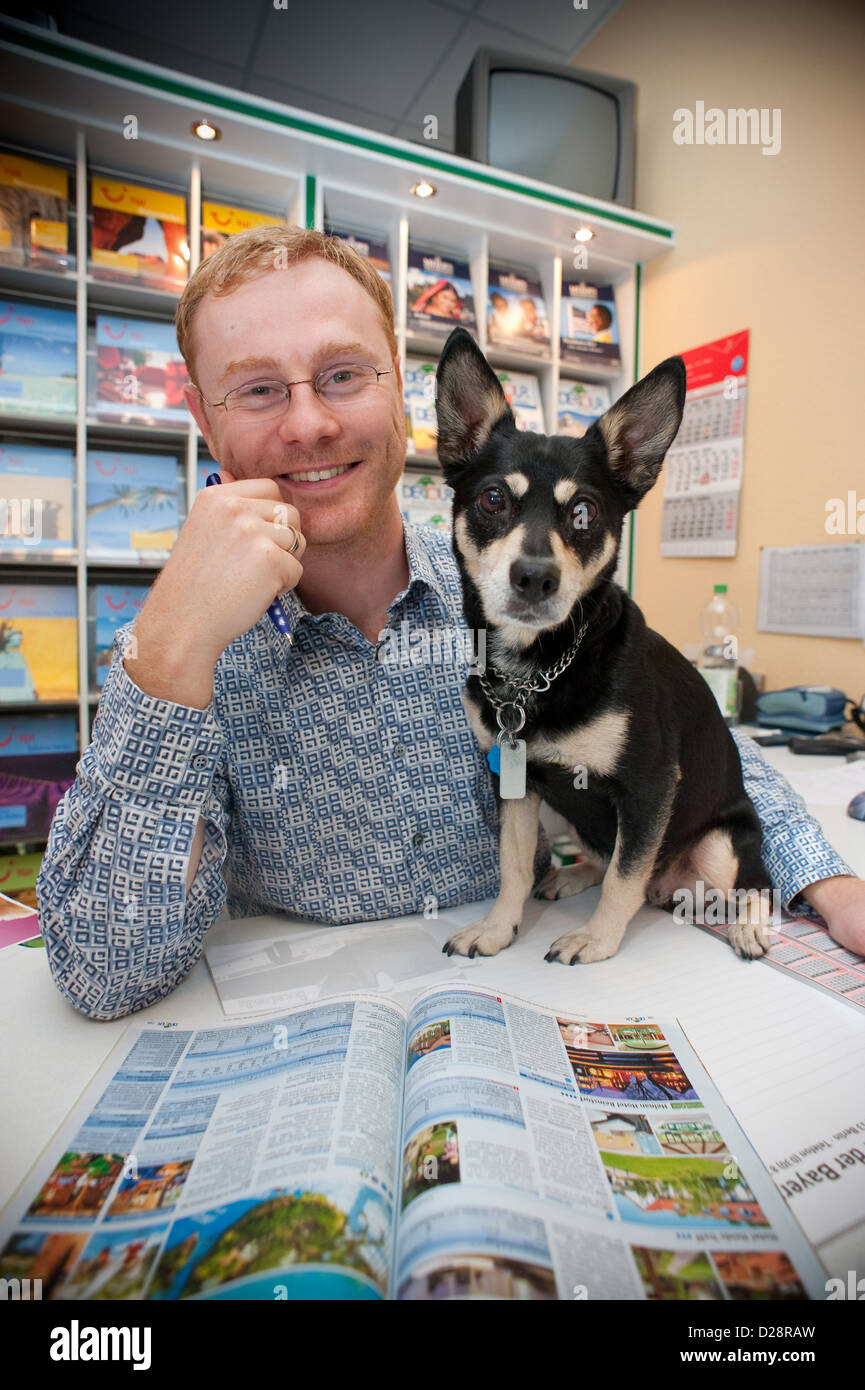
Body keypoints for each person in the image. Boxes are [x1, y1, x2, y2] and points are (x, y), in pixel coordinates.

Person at [36, 225, 864, 1020]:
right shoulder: (173, 649)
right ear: (204, 420)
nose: (309, 424)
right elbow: (105, 974)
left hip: (572, 995)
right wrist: (175, 645)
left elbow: (698, 742)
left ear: (402, 392)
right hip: (299, 1026)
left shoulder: (523, 600)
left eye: (341, 375)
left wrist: (825, 884)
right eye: (256, 389)